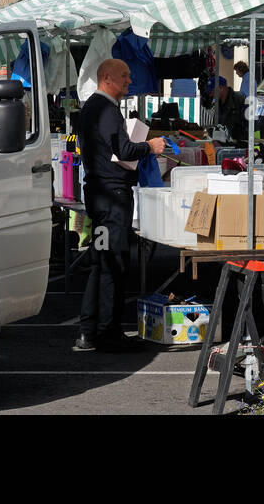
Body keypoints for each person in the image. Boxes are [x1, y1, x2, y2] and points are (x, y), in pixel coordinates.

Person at [75, 59, 166, 353]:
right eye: (125, 76)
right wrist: (149, 147)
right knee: (112, 263)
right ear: (106, 78)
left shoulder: (91, 109)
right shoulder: (106, 110)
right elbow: (124, 150)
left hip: (99, 195)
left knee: (102, 261)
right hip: (112, 198)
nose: (129, 81)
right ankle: (106, 332)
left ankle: (89, 331)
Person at [212, 78, 246, 142]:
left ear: (221, 88)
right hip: (222, 143)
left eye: (213, 91)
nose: (212, 94)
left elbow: (246, 128)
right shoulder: (217, 103)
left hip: (238, 144)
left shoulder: (240, 100)